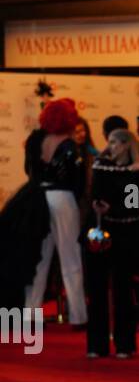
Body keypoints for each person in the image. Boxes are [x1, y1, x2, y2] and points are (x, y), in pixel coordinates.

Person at [84, 129, 139, 360]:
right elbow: (93, 194)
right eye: (109, 142)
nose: (110, 146)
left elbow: (133, 208)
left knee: (123, 292)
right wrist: (97, 206)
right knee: (96, 290)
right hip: (99, 237)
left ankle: (125, 344)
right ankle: (96, 344)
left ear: (126, 145)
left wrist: (110, 209)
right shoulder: (100, 168)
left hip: (124, 239)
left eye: (115, 142)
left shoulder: (135, 175)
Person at [24, 98, 87, 326]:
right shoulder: (70, 146)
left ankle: (30, 313)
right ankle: (78, 315)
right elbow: (77, 181)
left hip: (38, 198)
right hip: (63, 199)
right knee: (71, 257)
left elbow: (29, 170)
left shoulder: (35, 141)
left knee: (39, 258)